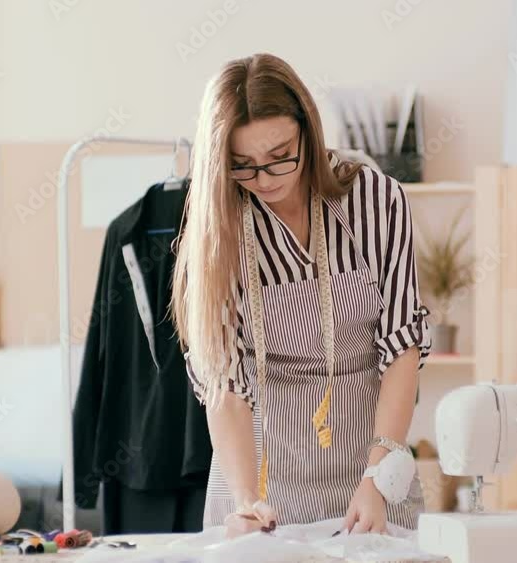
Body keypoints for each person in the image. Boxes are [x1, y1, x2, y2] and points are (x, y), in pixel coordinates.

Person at [172, 53, 431, 537]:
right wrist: (248, 499)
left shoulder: (376, 202)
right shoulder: (217, 230)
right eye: (243, 166)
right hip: (260, 478)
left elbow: (402, 350)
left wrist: (377, 477)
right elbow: (224, 384)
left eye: (280, 156)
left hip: (370, 467)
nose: (266, 180)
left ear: (307, 132)